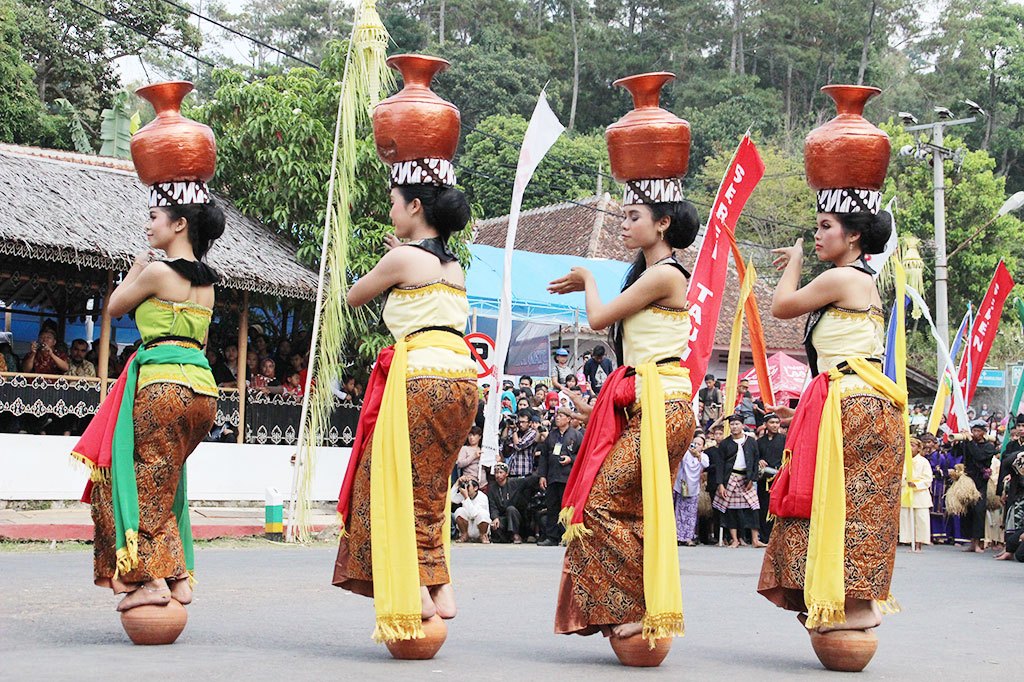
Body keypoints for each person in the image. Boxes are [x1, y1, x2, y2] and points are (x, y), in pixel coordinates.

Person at [548, 82, 700, 645]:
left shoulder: (665, 273)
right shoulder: (650, 273)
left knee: (605, 501)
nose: (623, 222)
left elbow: (597, 320)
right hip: (652, 401)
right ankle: (635, 608)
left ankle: (636, 609)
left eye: (632, 214)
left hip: (662, 403)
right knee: (624, 505)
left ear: (661, 223)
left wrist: (588, 278)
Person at [758, 85, 908, 637]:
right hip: (869, 402)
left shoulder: (842, 276)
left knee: (830, 506)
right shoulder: (865, 279)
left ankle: (839, 600)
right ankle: (856, 604)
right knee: (858, 513)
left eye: (824, 228)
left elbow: (779, 306)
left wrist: (795, 260)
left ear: (852, 237)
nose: (817, 235)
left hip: (846, 403)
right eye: (817, 227)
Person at [332, 89, 478, 643]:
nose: (390, 211)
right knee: (430, 486)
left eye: (394, 201)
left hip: (419, 376)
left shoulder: (401, 256)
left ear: (415, 206)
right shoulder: (455, 265)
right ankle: (440, 584)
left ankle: (417, 586)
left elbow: (351, 297)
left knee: (388, 484)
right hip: (462, 380)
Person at [70, 142, 224, 612]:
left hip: (161, 387)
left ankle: (150, 579)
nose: (148, 222)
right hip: (203, 391)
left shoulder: (157, 272)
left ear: (179, 224)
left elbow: (114, 308)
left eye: (155, 215)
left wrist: (134, 269)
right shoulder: (208, 281)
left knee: (130, 480)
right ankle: (178, 578)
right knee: (164, 480)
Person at [713, 414, 763, 548]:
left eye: (737, 424)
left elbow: (755, 461)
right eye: (732, 424)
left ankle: (755, 539)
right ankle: (734, 539)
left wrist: (752, 478)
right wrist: (720, 484)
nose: (734, 427)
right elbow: (720, 465)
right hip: (730, 478)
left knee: (754, 507)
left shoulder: (751, 441)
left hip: (746, 479)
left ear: (742, 425)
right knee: (731, 510)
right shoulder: (725, 443)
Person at [536, 411, 582, 546]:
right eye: (557, 416)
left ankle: (567, 535)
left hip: (568, 478)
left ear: (568, 419)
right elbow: (544, 456)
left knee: (567, 508)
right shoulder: (552, 435)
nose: (558, 418)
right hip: (553, 477)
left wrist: (571, 459)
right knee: (552, 507)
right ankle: (552, 537)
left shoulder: (576, 435)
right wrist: (542, 475)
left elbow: (582, 455)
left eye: (561, 416)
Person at [952, 420, 998, 553]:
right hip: (967, 481)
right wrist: (957, 443)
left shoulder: (989, 447)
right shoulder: (968, 444)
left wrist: (970, 441)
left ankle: (978, 542)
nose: (975, 433)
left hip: (980, 482)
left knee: (979, 510)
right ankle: (971, 542)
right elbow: (955, 454)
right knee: (968, 510)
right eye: (973, 431)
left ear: (983, 433)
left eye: (978, 431)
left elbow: (979, 456)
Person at [488, 462, 540, 544]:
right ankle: (507, 538)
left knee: (511, 509)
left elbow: (530, 480)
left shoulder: (514, 483)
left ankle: (515, 534)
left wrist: (541, 472)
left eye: (501, 472)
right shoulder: (492, 488)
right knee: (496, 527)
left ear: (506, 474)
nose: (498, 475)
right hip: (503, 517)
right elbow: (492, 506)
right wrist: (495, 517)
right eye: (496, 473)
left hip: (516, 516)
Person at [898, 437, 932, 552]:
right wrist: (905, 481)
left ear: (918, 448)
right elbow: (899, 476)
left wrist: (917, 484)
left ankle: (919, 544)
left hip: (920, 495)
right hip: (906, 492)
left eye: (913, 445)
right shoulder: (904, 461)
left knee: (921, 520)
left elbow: (928, 479)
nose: (910, 448)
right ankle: (910, 541)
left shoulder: (923, 462)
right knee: (907, 518)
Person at [756, 413, 786, 541]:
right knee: (764, 507)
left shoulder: (784, 439)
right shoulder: (759, 442)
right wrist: (759, 460)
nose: (774, 425)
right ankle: (764, 536)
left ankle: (778, 537)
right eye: (772, 422)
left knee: (778, 507)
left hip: (779, 478)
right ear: (765, 425)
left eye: (776, 423)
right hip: (764, 480)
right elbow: (754, 456)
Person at [674, 435, 708, 546]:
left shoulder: (704, 456)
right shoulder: (685, 454)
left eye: (699, 444)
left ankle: (688, 537)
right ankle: (678, 536)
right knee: (679, 513)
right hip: (682, 485)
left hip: (694, 488)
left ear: (703, 447)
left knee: (691, 514)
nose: (696, 445)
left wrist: (697, 455)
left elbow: (706, 464)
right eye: (694, 443)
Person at [452, 477, 491, 543]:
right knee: (459, 510)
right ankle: (464, 535)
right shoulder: (464, 495)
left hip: (479, 529)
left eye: (468, 486)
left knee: (483, 513)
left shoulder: (482, 497)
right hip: (468, 527)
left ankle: (483, 536)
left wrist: (466, 497)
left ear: (475, 488)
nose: (466, 489)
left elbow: (474, 514)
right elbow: (451, 499)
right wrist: (457, 484)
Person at [502, 409, 538, 478]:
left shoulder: (532, 432)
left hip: (523, 472)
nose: (521, 424)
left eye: (523, 422)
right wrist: (507, 426)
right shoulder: (517, 431)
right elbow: (503, 439)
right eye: (519, 422)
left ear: (530, 423)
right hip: (512, 471)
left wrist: (514, 430)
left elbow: (519, 446)